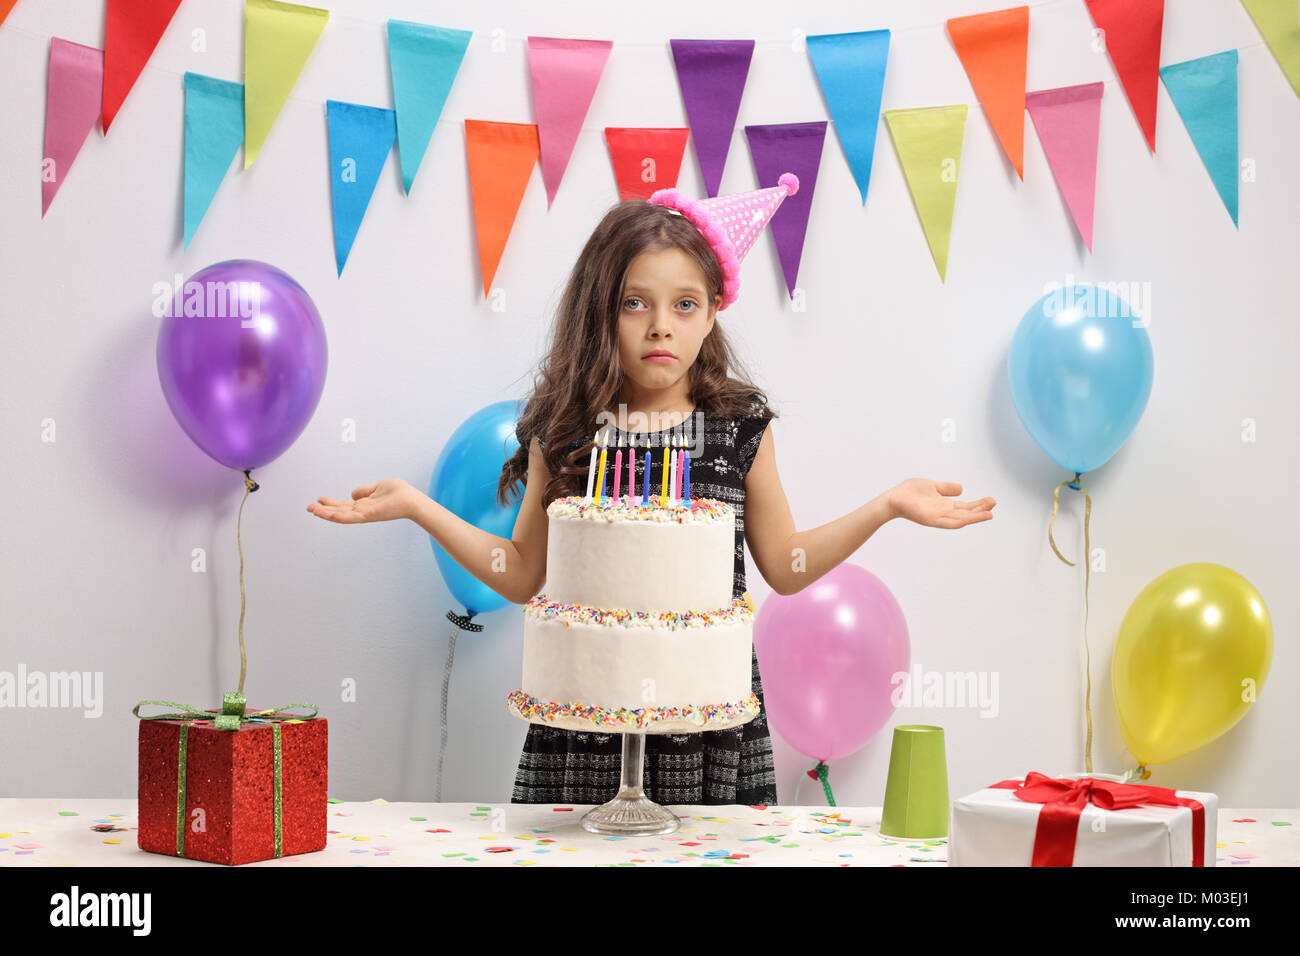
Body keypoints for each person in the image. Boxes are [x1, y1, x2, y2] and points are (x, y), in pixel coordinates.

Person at [306, 175, 996, 806]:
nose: (661, 324)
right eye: (635, 303)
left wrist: (887, 506)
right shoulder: (567, 429)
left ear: (712, 313)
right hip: (586, 727)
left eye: (684, 304)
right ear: (601, 312)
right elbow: (519, 575)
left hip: (709, 728)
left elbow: (785, 569)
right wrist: (415, 507)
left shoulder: (737, 427)